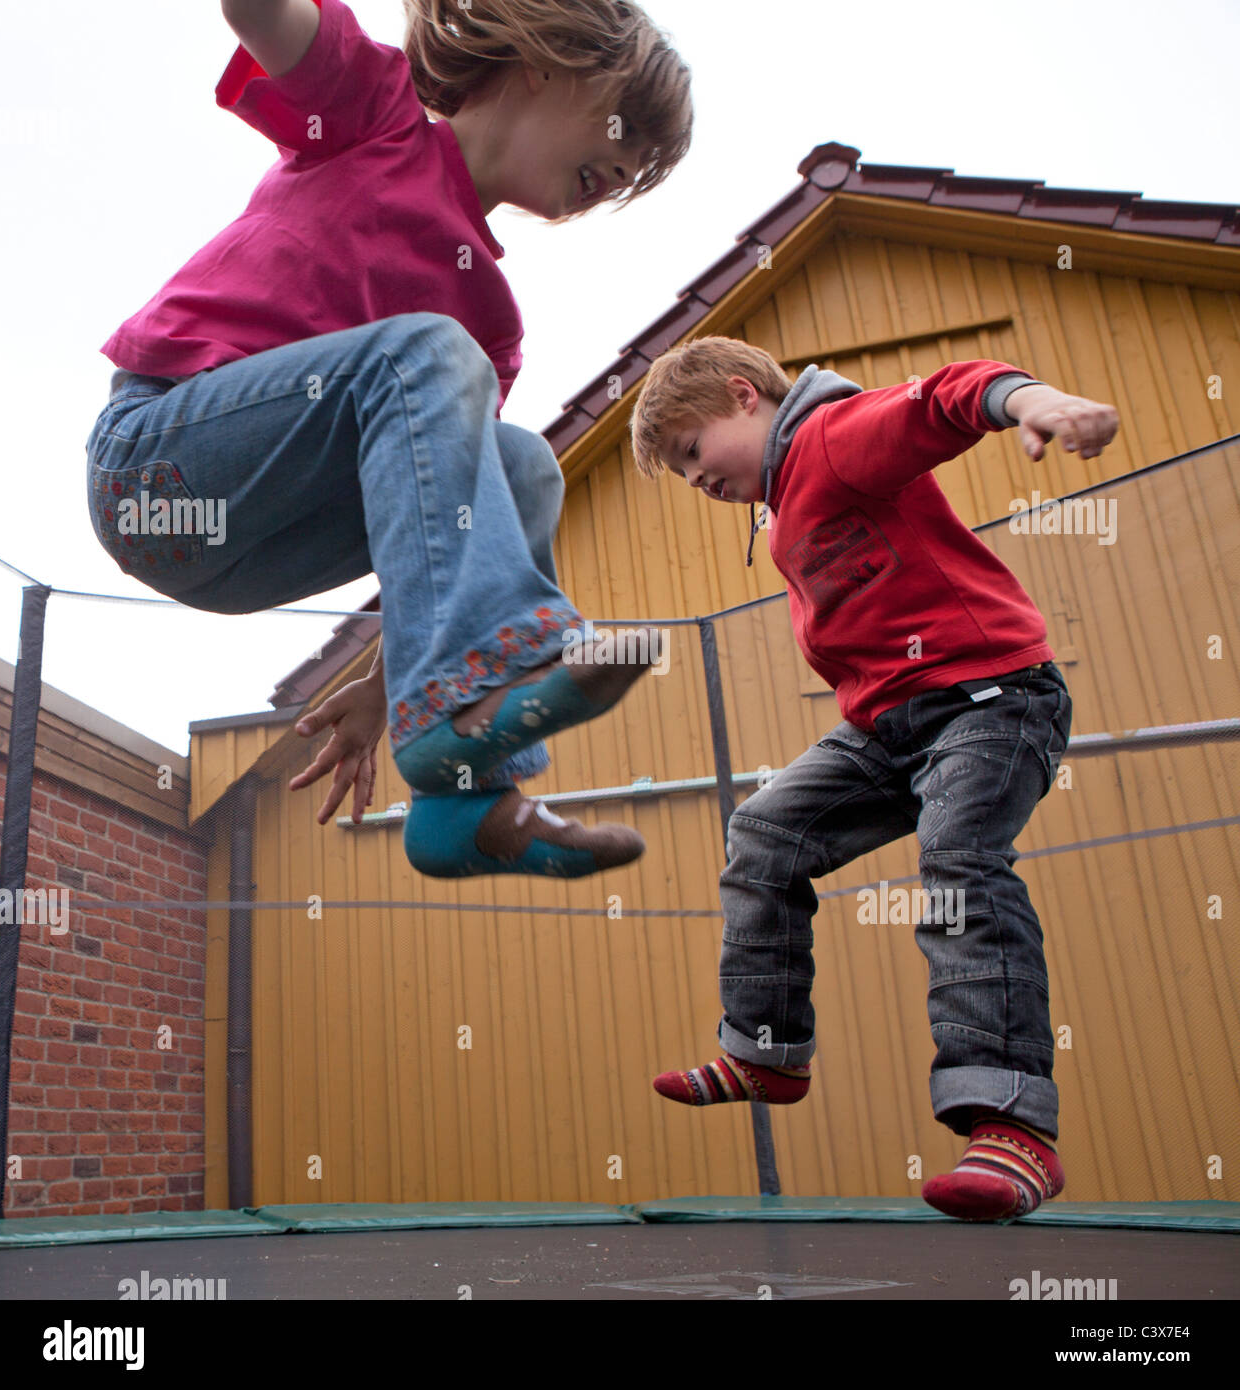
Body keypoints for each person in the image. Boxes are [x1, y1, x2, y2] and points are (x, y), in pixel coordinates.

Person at [85, 0, 692, 879]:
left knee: (519, 464)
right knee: (427, 351)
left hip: (253, 551)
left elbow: (440, 537)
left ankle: (461, 802)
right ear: (544, 61)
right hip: (157, 472)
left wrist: (380, 693)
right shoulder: (374, 111)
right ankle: (472, 704)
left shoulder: (489, 325)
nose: (626, 161)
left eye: (641, 165)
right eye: (623, 124)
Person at [629, 335, 1119, 1221]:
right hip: (889, 726)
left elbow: (943, 399)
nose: (693, 479)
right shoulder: (780, 510)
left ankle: (1010, 1125)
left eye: (691, 452)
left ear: (745, 397)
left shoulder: (830, 436)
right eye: (679, 471)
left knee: (959, 863)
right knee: (766, 833)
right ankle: (768, 1051)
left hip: (989, 698)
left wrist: (1031, 402)